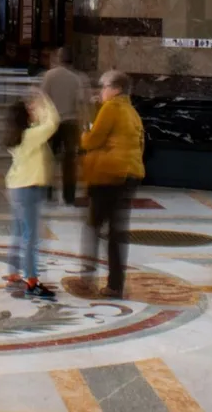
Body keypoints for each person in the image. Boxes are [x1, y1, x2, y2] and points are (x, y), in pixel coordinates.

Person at [78, 70, 144, 299]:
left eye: (104, 86)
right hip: (129, 175)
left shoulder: (112, 108)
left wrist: (84, 132)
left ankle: (87, 277)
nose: (101, 91)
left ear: (116, 89)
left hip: (108, 175)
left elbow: (92, 139)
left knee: (94, 226)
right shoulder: (131, 111)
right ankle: (115, 283)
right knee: (116, 231)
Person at [3, 93, 60, 300]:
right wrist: (45, 101)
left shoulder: (20, 135)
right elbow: (53, 123)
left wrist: (35, 111)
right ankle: (32, 281)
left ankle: (13, 273)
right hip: (27, 189)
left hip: (18, 187)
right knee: (31, 237)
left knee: (19, 233)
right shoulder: (30, 137)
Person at [40, 49, 88, 206]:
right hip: (70, 122)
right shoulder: (77, 79)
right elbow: (80, 103)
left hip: (51, 123)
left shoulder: (50, 76)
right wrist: (83, 125)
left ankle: (48, 193)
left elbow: (43, 98)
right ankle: (69, 195)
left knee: (48, 159)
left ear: (59, 58)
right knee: (69, 162)